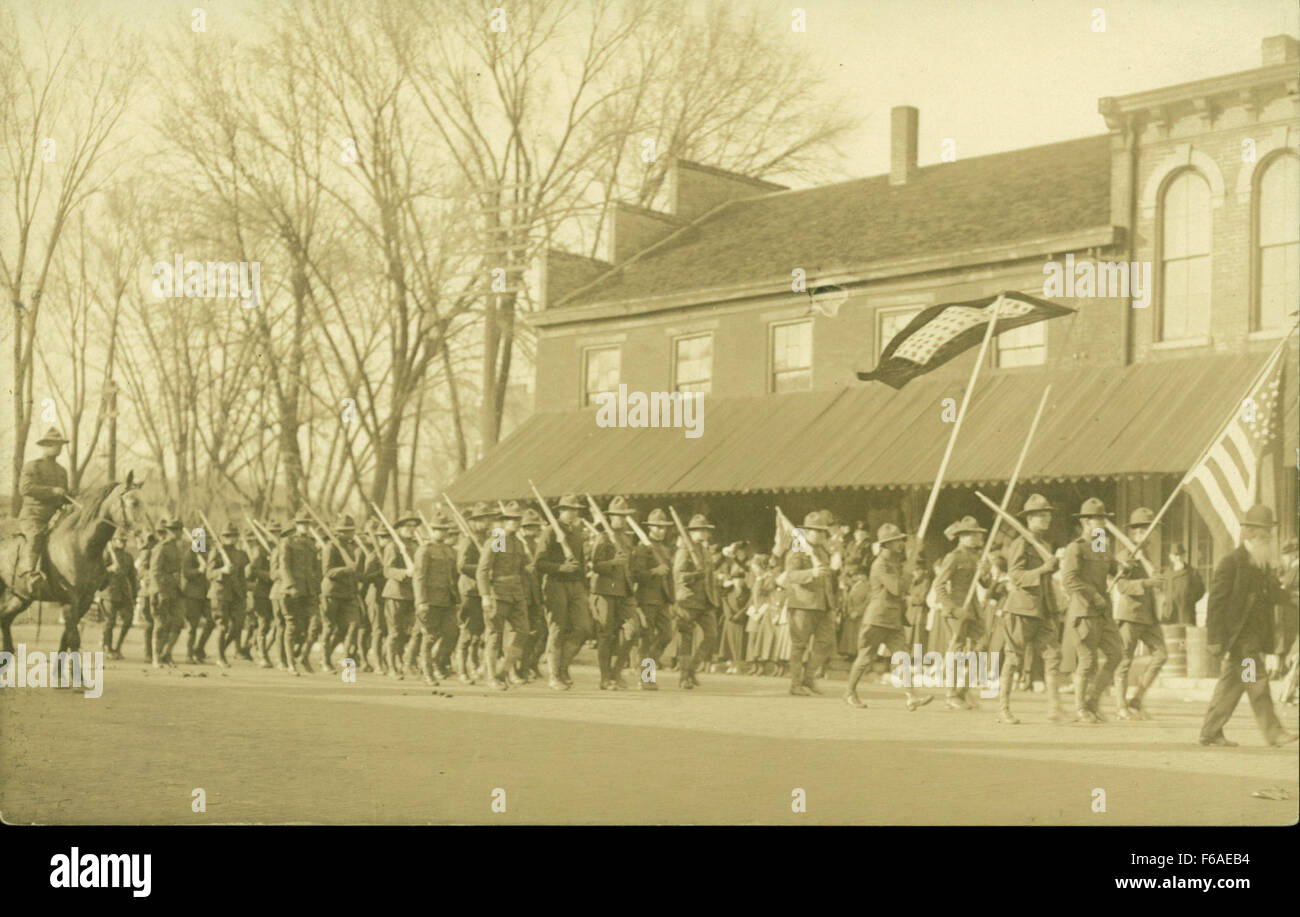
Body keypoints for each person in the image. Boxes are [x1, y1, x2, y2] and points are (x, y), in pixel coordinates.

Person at [1199, 505, 1298, 747]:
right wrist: (1214, 638)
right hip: (1239, 639)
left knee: (1232, 687)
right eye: (1263, 535)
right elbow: (1216, 604)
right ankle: (1273, 732)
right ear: (1250, 535)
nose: (1268, 540)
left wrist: (1296, 599)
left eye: (1269, 535)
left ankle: (1210, 732)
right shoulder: (1232, 563)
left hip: (1252, 638)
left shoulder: (1261, 563)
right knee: (1257, 683)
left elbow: (1275, 593)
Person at [844, 523, 933, 711]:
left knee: (903, 657)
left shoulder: (894, 563)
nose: (901, 544)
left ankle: (911, 696)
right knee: (866, 657)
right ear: (887, 544)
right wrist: (909, 571)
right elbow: (897, 588)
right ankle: (850, 692)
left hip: (893, 619)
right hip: (877, 618)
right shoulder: (880, 564)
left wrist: (911, 560)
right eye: (896, 541)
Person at [998, 493, 1068, 724]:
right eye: (1041, 515)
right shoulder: (1020, 544)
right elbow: (1015, 576)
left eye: (1048, 514)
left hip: (1044, 610)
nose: (1047, 518)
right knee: (1014, 659)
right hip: (1022, 609)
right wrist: (1044, 570)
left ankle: (1054, 707)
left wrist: (1053, 606)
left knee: (1053, 655)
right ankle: (1003, 709)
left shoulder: (1045, 545)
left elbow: (1048, 578)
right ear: (1029, 519)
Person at [1061, 498, 1124, 723]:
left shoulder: (1100, 544)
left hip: (1103, 613)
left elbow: (1109, 567)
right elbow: (1069, 580)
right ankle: (1080, 708)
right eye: (1099, 519)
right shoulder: (1075, 547)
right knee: (1087, 662)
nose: (1104, 523)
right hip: (1084, 612)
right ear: (1086, 522)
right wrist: (1094, 595)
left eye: (1105, 519)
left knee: (1117, 654)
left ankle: (1092, 702)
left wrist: (1124, 566)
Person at [1112, 507, 1167, 720]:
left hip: (1149, 615)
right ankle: (1121, 706)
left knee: (1161, 655)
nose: (1148, 535)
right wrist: (1146, 582)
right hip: (1130, 614)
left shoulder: (1148, 556)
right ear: (1134, 533)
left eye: (1150, 531)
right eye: (1144, 531)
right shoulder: (1126, 555)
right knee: (1125, 660)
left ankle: (1137, 699)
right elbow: (1122, 586)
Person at [933, 515, 992, 710]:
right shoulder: (954, 556)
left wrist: (985, 572)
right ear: (962, 536)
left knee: (981, 645)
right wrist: (952, 608)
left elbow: (986, 584)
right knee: (956, 650)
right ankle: (951, 695)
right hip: (957, 608)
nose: (976, 538)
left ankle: (964, 689)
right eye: (972, 535)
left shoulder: (977, 557)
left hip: (973, 607)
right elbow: (939, 585)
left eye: (977, 534)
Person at [535, 495, 593, 691]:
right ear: (560, 510)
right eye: (569, 509)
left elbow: (582, 562)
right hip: (556, 583)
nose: (573, 513)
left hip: (576, 584)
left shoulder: (576, 532)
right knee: (557, 630)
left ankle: (563, 666)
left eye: (576, 509)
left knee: (584, 628)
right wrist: (560, 568)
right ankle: (554, 675)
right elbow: (539, 563)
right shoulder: (550, 532)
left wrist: (584, 586)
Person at [779, 510, 836, 697]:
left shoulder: (822, 551)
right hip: (802, 604)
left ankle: (809, 678)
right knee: (799, 646)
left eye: (822, 531)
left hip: (823, 604)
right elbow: (790, 575)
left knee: (825, 643)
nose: (821, 535)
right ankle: (796, 684)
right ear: (807, 532)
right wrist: (812, 573)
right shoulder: (797, 549)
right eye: (816, 531)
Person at [478, 501, 532, 690]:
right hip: (498, 593)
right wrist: (485, 595)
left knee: (523, 631)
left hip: (516, 593)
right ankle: (492, 677)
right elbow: (483, 570)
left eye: (518, 519)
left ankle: (504, 670)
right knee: (494, 635)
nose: (515, 523)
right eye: (511, 519)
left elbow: (521, 569)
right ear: (504, 521)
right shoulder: (498, 538)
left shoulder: (518, 542)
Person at [588, 497, 641, 690]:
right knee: (606, 634)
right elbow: (595, 564)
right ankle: (605, 678)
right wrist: (613, 563)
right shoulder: (603, 537)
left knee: (633, 631)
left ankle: (616, 672)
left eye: (625, 516)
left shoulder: (627, 539)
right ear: (611, 517)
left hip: (625, 592)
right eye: (619, 516)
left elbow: (632, 567)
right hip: (605, 591)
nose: (623, 519)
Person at [16, 427, 75, 595]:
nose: (59, 448)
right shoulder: (33, 466)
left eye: (61, 445)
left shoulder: (62, 471)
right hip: (34, 516)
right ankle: (28, 574)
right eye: (55, 444)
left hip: (56, 518)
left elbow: (62, 496)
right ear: (46, 446)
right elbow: (25, 488)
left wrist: (69, 496)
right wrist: (52, 491)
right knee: (35, 536)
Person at [410, 512, 459, 686]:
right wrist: (421, 601)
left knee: (452, 633)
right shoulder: (425, 549)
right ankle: (427, 673)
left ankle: (437, 663)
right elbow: (419, 577)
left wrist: (457, 600)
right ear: (432, 530)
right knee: (429, 637)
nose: (443, 533)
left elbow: (454, 576)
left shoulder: (449, 551)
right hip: (430, 600)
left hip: (447, 600)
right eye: (440, 529)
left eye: (445, 530)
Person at [673, 513, 721, 690]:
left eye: (705, 530)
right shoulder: (684, 550)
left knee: (712, 635)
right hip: (688, 599)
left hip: (706, 600)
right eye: (701, 530)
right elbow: (678, 576)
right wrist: (695, 575)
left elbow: (710, 574)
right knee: (687, 638)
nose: (704, 533)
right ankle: (684, 676)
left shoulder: (704, 550)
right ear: (692, 532)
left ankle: (692, 669)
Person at [631, 508, 675, 689]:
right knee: (646, 638)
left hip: (663, 600)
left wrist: (672, 601)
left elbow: (670, 577)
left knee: (666, 635)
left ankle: (646, 667)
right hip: (647, 599)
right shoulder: (642, 549)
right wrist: (654, 571)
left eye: (663, 528)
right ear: (650, 528)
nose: (661, 531)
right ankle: (646, 677)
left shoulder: (665, 550)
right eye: (657, 527)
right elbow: (637, 574)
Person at [454, 503, 495, 683]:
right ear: (475, 522)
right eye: (483, 519)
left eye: (489, 519)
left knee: (480, 633)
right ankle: (462, 671)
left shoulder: (494, 537)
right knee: (468, 633)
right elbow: (462, 566)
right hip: (470, 589)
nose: (487, 522)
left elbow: (501, 558)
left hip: (487, 591)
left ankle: (474, 665)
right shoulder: (468, 540)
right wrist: (483, 569)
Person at [320, 516, 363, 674]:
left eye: (351, 531)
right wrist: (346, 569)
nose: (351, 534)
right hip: (332, 592)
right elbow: (327, 571)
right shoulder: (331, 547)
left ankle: (346, 660)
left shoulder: (351, 547)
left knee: (353, 625)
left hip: (348, 593)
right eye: (347, 531)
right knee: (329, 627)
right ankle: (325, 661)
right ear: (340, 533)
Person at [281, 511, 322, 676]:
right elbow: (284, 566)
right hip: (293, 590)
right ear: (296, 524)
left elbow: (315, 567)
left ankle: (304, 657)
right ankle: (291, 664)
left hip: (310, 590)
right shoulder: (287, 542)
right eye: (302, 523)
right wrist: (290, 586)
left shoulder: (312, 544)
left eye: (307, 523)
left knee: (315, 625)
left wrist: (317, 586)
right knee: (292, 627)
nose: (305, 526)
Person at [380, 514, 420, 678]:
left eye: (413, 526)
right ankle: (391, 667)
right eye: (407, 526)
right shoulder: (393, 546)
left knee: (412, 631)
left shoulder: (417, 545)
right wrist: (405, 572)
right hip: (396, 593)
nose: (411, 529)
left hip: (413, 594)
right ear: (399, 528)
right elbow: (387, 570)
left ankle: (407, 662)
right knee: (395, 632)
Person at [207, 523, 249, 668]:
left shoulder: (241, 554)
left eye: (233, 536)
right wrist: (222, 570)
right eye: (227, 536)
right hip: (220, 593)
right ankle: (220, 657)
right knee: (222, 626)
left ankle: (221, 650)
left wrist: (244, 594)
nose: (230, 539)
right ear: (222, 537)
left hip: (236, 593)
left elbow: (242, 576)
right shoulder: (216, 552)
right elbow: (209, 573)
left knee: (238, 625)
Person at [149, 519, 185, 668]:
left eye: (179, 529)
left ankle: (166, 654)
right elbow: (155, 571)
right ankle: (156, 658)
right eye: (176, 530)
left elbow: (178, 570)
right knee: (160, 624)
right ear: (170, 531)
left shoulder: (176, 547)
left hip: (174, 591)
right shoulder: (161, 548)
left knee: (178, 623)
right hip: (161, 591)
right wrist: (160, 592)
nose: (179, 533)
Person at [98, 531, 136, 660]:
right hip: (109, 591)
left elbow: (132, 577)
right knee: (110, 621)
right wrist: (109, 569)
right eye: (120, 540)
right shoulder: (106, 554)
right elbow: (96, 571)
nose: (123, 543)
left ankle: (118, 647)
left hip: (124, 592)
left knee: (128, 619)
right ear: (114, 541)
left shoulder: (128, 557)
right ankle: (107, 647)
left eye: (124, 541)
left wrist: (134, 595)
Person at [718, 541, 752, 674]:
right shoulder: (731, 564)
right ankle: (730, 661)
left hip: (742, 598)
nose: (739, 553)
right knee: (728, 637)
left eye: (740, 551)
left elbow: (748, 577)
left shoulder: (747, 564)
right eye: (737, 551)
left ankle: (738, 662)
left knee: (739, 638)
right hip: (731, 597)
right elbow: (724, 591)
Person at [1161, 543, 1205, 626]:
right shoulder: (1167, 573)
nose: (1179, 558)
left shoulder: (1192, 572)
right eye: (1176, 555)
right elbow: (1164, 589)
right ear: (1171, 557)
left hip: (1185, 613)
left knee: (1185, 637)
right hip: (1170, 612)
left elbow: (1201, 590)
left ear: (1184, 556)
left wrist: (1188, 600)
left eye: (1181, 555)